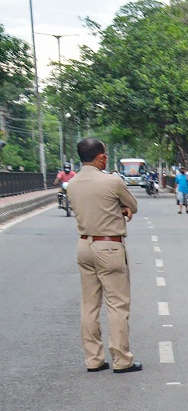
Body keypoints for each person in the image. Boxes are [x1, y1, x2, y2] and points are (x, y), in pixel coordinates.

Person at [66, 137, 142, 374]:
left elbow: (93, 208)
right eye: (105, 155)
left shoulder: (73, 184)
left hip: (84, 247)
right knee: (117, 305)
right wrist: (122, 208)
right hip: (108, 246)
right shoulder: (112, 181)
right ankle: (122, 359)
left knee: (89, 305)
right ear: (100, 157)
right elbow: (133, 205)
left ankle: (93, 359)